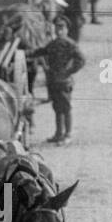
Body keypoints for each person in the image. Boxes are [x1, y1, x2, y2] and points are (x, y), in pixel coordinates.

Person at [28, 16, 86, 145]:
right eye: (57, 27)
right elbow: (42, 51)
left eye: (61, 27)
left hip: (64, 81)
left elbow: (81, 60)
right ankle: (58, 133)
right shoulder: (53, 44)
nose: (59, 30)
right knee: (57, 108)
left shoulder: (69, 44)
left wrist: (69, 71)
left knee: (65, 108)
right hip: (53, 81)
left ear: (66, 29)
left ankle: (67, 135)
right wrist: (27, 53)